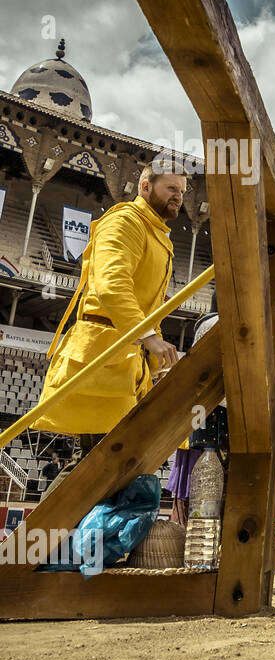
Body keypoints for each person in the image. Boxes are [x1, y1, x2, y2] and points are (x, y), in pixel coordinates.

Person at [32, 162, 184, 452]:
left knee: (109, 464)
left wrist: (156, 356)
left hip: (126, 359)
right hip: (103, 355)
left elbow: (150, 309)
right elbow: (111, 285)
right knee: (101, 464)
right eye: (172, 189)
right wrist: (150, 338)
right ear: (146, 187)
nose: (179, 197)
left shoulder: (156, 235)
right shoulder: (125, 222)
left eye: (182, 191)